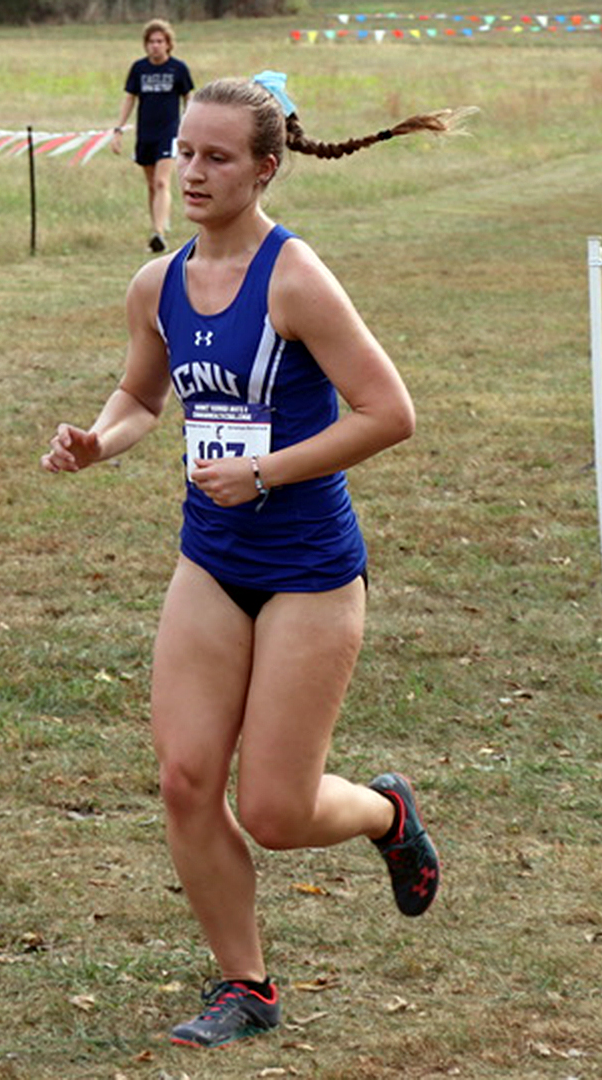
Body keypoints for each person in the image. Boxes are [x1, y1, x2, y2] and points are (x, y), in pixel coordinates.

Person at [42, 72, 457, 1050]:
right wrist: (99, 441)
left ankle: (385, 814)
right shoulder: (157, 286)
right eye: (186, 151)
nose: (192, 170)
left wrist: (268, 473)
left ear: (266, 169)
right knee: (187, 779)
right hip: (211, 559)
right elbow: (144, 400)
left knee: (273, 808)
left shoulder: (296, 279)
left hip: (310, 566)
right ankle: (249, 985)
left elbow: (390, 414)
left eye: (217, 156)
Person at [112, 19, 195, 254]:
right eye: (151, 42)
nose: (155, 46)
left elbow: (189, 98)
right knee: (151, 185)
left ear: (168, 44)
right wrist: (118, 129)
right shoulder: (139, 69)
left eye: (160, 41)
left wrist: (190, 127)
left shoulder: (178, 69)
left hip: (169, 133)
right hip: (145, 133)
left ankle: (158, 233)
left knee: (161, 181)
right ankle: (157, 225)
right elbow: (130, 98)